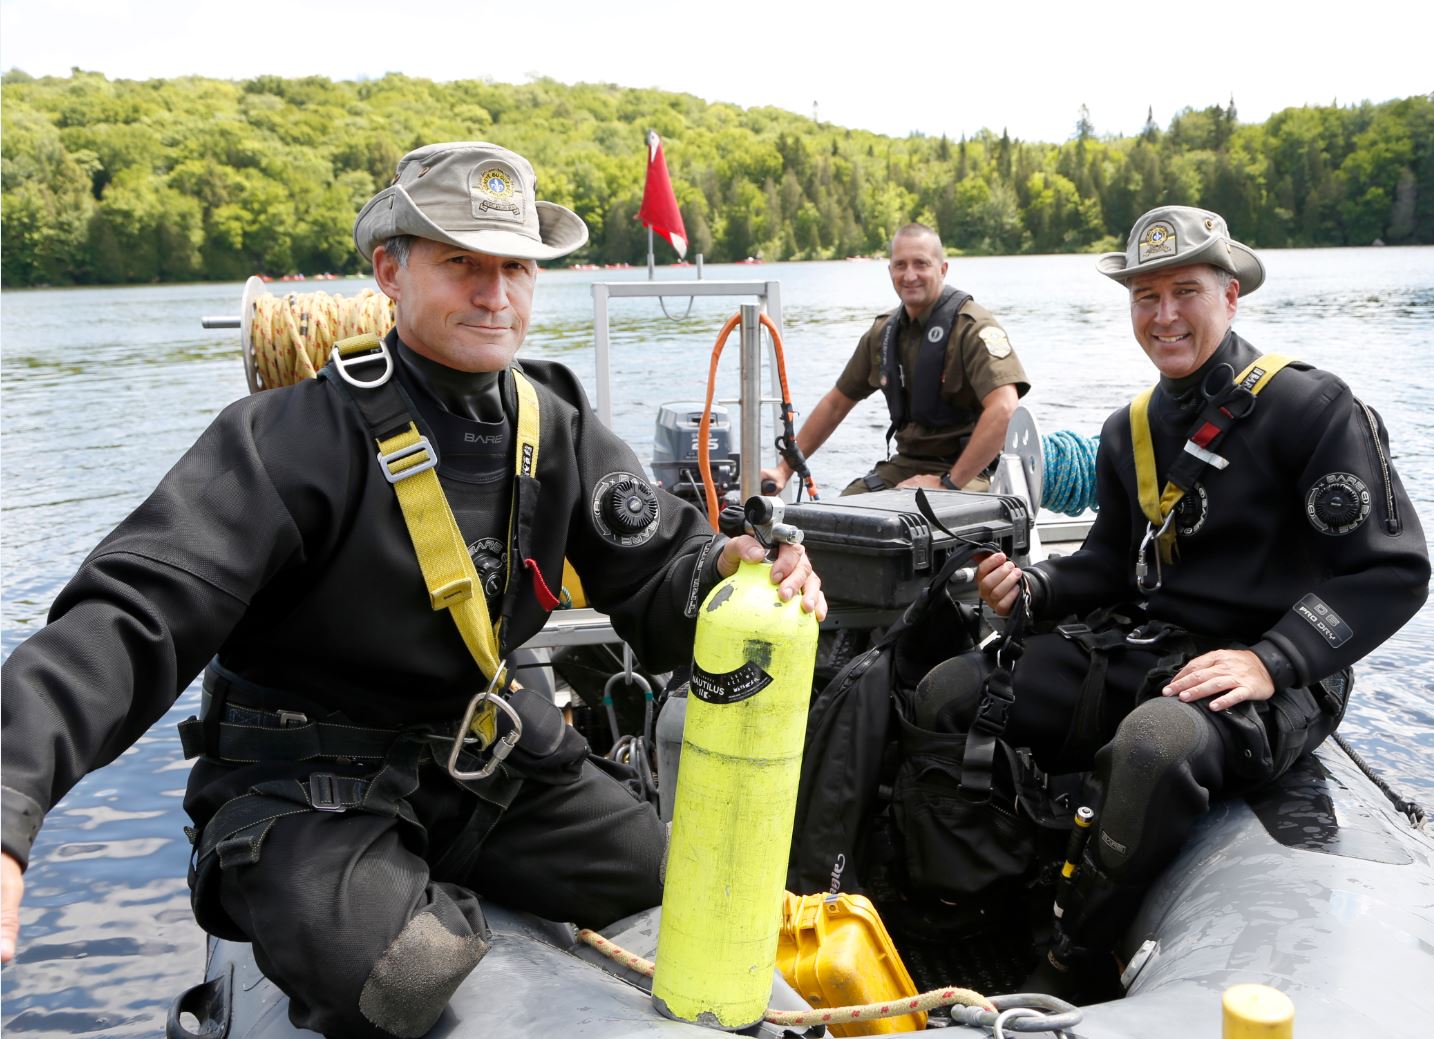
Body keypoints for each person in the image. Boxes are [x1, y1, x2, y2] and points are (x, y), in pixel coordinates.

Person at [0, 141, 826, 1038]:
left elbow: (660, 577)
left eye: (514, 266)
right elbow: (131, 618)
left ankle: (431, 888)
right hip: (306, 783)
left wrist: (730, 569)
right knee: (404, 979)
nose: (494, 292)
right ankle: (372, 907)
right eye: (461, 262)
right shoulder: (289, 440)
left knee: (671, 879)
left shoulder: (557, 424)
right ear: (389, 270)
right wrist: (9, 804)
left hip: (492, 765)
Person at [932, 205, 1428, 995]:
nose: (1164, 316)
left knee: (1154, 746)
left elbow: (1394, 571)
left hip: (1273, 673)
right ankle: (968, 903)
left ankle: (1073, 959)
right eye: (1145, 296)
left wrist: (1276, 659)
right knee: (951, 691)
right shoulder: (1128, 427)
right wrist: (1031, 589)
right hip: (1152, 646)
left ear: (1231, 296)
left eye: (1184, 291)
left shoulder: (1312, 409)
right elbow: (1103, 566)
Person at [760, 222, 1029, 496]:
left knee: (911, 518)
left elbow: (1004, 408)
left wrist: (948, 483)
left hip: (970, 470)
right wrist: (784, 469)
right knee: (844, 511)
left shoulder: (972, 328)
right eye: (900, 265)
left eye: (921, 264)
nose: (910, 275)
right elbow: (835, 404)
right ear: (890, 271)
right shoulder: (884, 333)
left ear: (942, 269)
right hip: (905, 465)